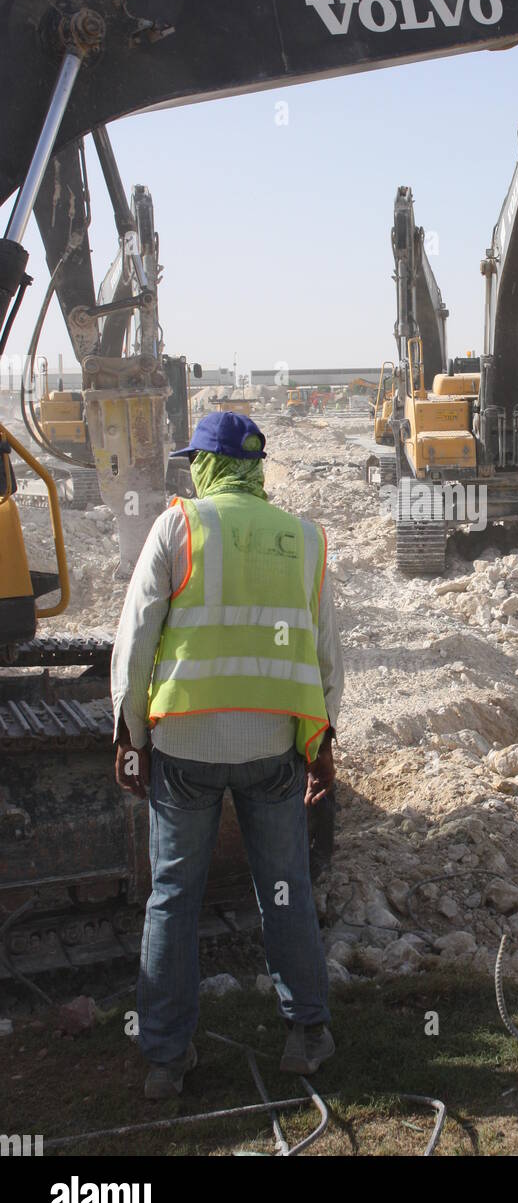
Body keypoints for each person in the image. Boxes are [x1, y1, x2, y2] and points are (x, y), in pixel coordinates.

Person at [110, 411, 343, 1100]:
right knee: (283, 890)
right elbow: (327, 653)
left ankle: (165, 1058)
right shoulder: (303, 539)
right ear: (257, 467)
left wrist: (128, 737)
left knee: (174, 896)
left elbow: (135, 643)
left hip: (183, 747)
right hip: (273, 747)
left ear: (206, 465)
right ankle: (306, 1035)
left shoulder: (177, 527)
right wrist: (322, 743)